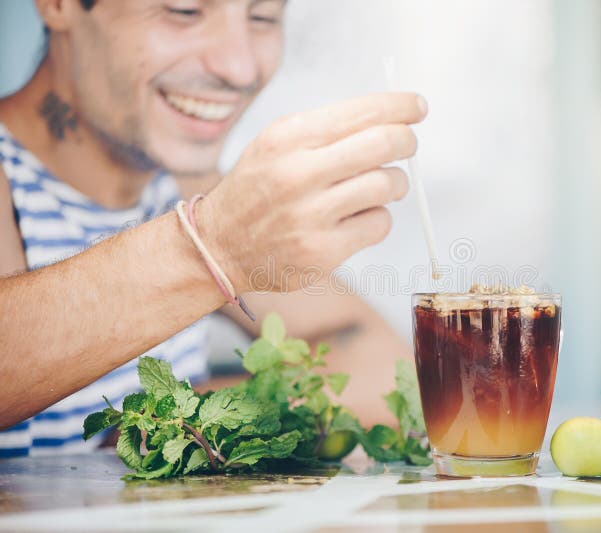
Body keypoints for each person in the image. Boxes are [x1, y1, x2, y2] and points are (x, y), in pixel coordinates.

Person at [0, 0, 427, 456]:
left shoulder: (186, 190)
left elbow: (383, 366)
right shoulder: (204, 220)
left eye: (262, 18)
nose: (240, 68)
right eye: (184, 11)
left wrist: (166, 420)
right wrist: (212, 247)